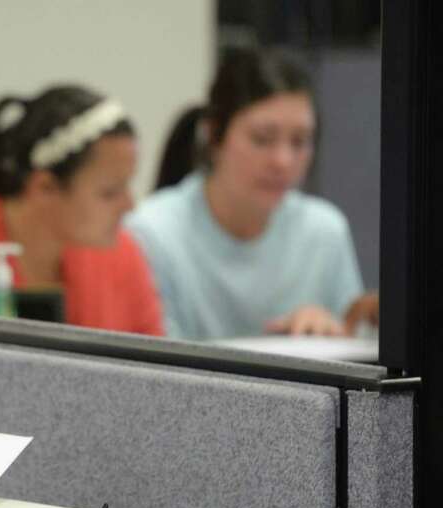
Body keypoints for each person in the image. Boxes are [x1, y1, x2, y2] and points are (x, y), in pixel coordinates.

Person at [126, 48, 366, 341]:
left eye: (300, 141)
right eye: (262, 139)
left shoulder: (324, 232)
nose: (283, 161)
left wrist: (329, 329)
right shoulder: (152, 233)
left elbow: (357, 349)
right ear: (214, 136)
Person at [0, 86, 164, 336]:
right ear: (44, 187)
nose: (130, 206)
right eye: (110, 192)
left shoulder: (123, 255)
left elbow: (155, 355)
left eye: (127, 185)